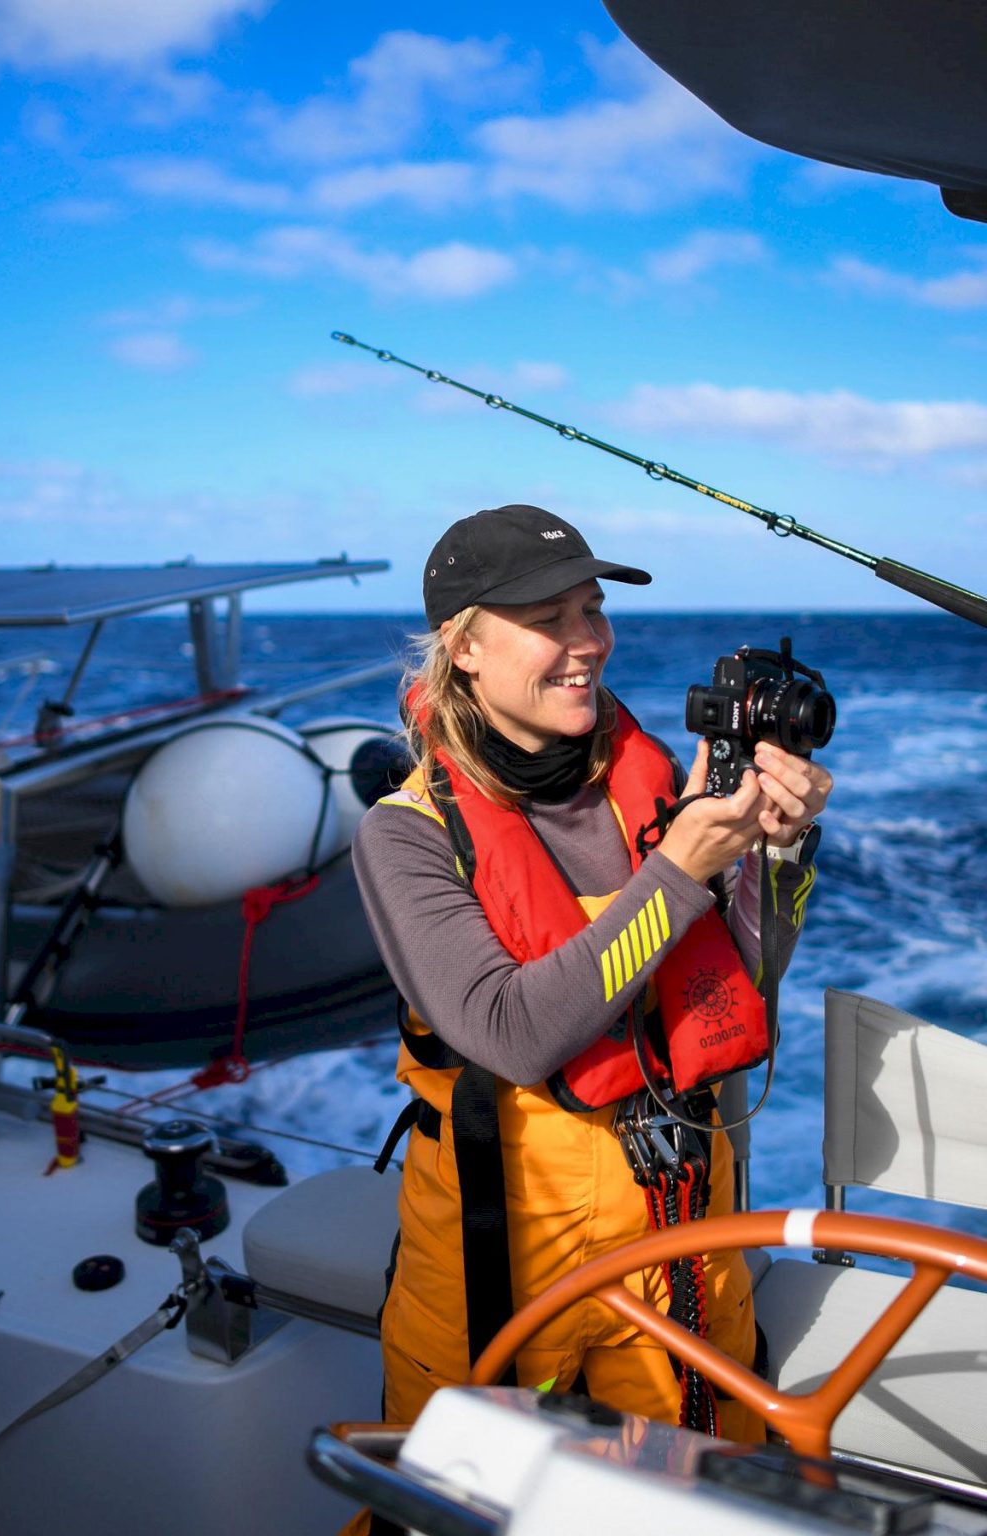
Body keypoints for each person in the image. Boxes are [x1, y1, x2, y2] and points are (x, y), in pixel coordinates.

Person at [352, 502, 833, 1445]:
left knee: (704, 1491)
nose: (587, 643)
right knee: (462, 1498)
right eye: (547, 620)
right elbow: (511, 1031)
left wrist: (779, 852)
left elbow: (735, 980)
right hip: (505, 1237)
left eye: (592, 610)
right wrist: (679, 872)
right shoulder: (406, 834)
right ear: (465, 649)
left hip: (680, 1214)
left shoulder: (654, 784)